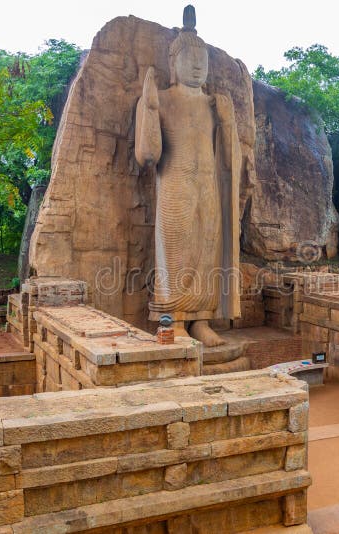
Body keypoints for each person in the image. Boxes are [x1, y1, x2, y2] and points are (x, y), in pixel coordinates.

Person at [134, 5, 241, 347]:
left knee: (207, 254)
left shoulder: (213, 105)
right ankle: (171, 323)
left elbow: (228, 159)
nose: (197, 65)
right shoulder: (163, 99)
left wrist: (227, 121)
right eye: (190, 57)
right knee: (176, 256)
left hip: (207, 187)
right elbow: (148, 154)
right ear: (174, 63)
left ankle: (201, 321)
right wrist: (149, 107)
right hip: (176, 185)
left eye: (203, 59)